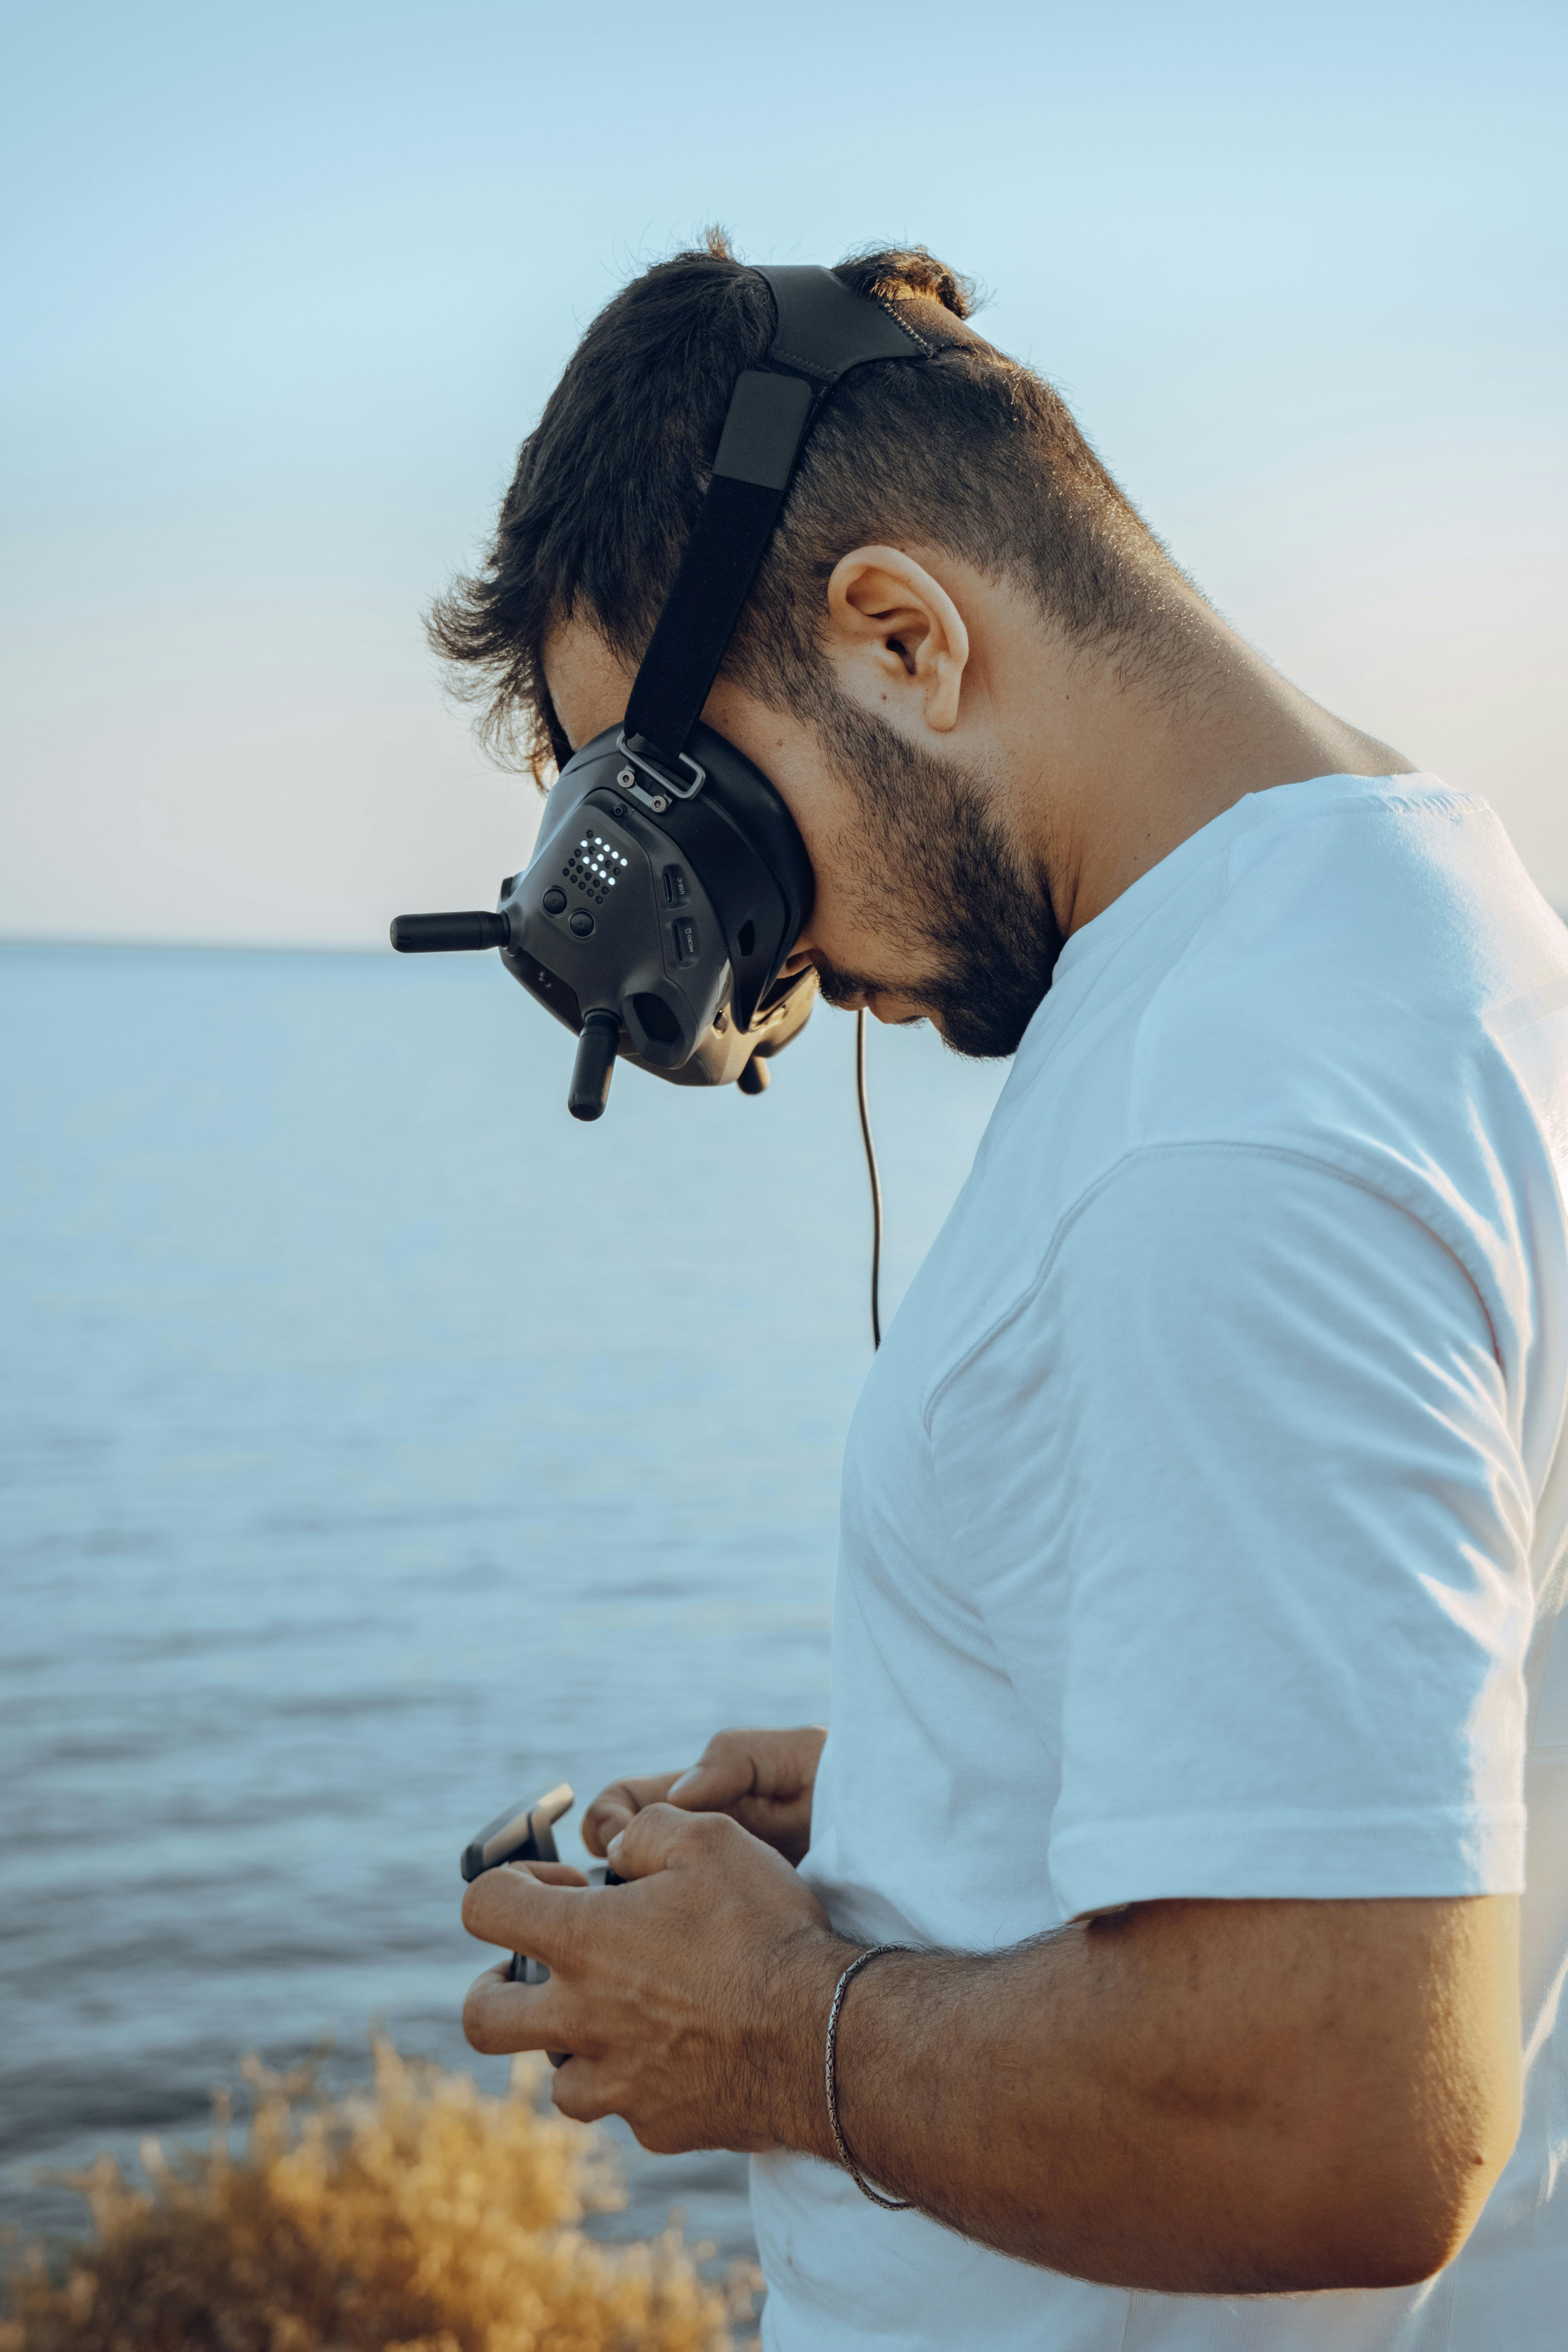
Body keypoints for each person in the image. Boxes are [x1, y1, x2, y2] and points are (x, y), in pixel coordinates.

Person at [439, 239, 1568, 2350]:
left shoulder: (1227, 1135)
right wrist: (949, 1790)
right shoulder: (1430, 918)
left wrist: (775, 2031)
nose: (751, 967)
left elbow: (1344, 2118)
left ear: (903, 636)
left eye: (701, 820)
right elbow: (1395, 1732)